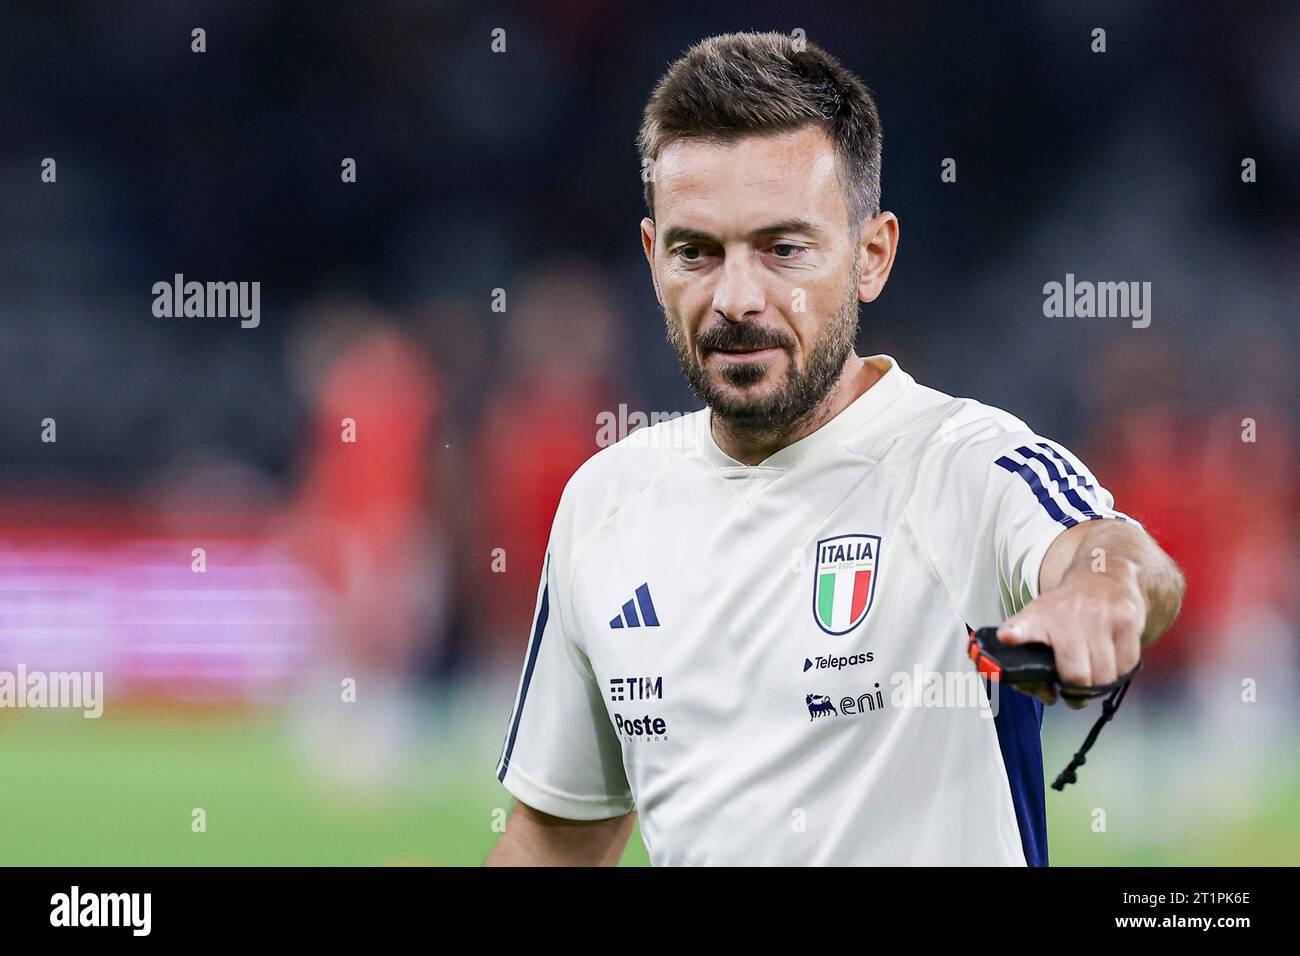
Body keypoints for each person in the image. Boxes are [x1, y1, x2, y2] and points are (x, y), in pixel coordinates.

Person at [487, 31, 1184, 866]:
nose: (736, 299)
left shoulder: (964, 462)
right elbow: (559, 842)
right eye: (696, 252)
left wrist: (1100, 592)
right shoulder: (603, 504)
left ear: (871, 255)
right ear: (652, 258)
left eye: (784, 248)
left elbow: (1119, 554)